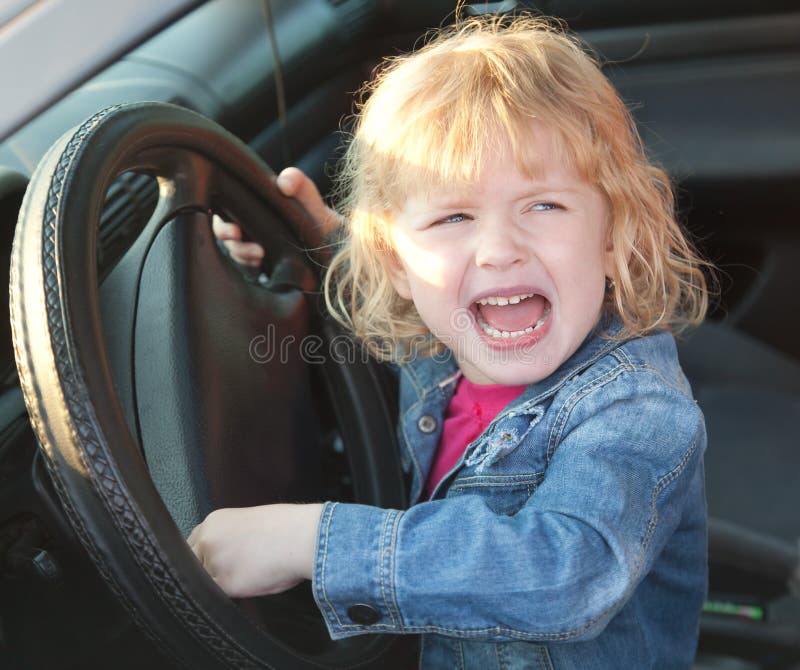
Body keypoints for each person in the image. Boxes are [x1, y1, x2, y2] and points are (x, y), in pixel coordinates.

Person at [190, 14, 711, 668]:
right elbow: (402, 289)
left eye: (543, 206)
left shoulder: (635, 411)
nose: (499, 250)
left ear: (612, 237)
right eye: (454, 216)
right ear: (395, 264)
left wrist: (311, 542)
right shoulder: (442, 347)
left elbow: (563, 574)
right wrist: (312, 248)